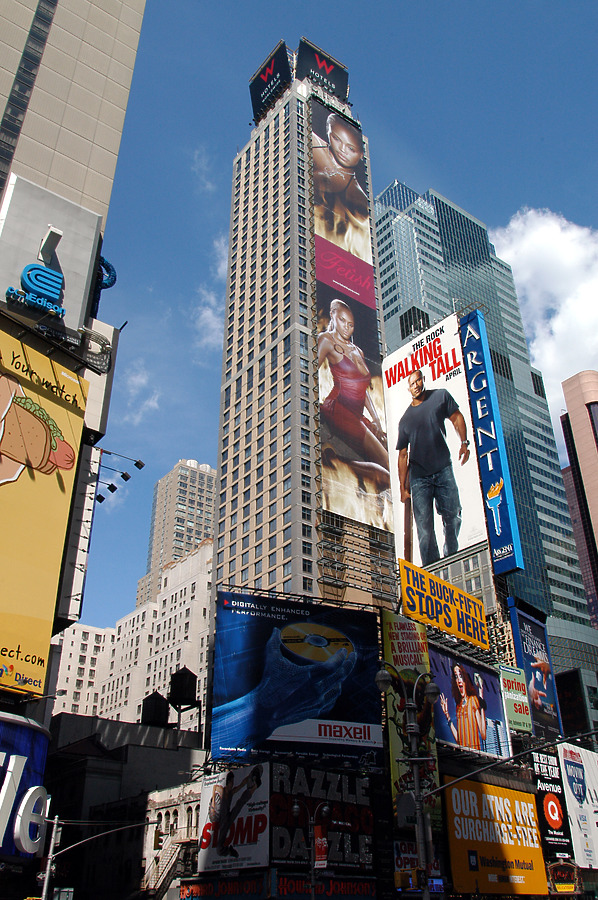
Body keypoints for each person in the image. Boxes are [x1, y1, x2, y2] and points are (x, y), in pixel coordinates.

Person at [397, 369, 470, 565]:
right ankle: (434, 569)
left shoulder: (440, 396)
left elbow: (456, 418)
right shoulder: (405, 420)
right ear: (408, 388)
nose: (416, 386)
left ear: (423, 380)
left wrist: (464, 443)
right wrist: (403, 488)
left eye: (418, 381)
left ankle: (451, 557)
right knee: (424, 529)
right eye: (412, 383)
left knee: (453, 514)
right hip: (419, 479)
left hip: (443, 468)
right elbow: (402, 455)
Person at [318, 299, 389, 487]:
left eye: (351, 325)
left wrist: (376, 419)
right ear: (333, 315)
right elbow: (310, 371)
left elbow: (362, 389)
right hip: (338, 409)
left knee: (390, 448)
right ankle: (334, 460)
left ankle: (338, 460)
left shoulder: (358, 351)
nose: (347, 328)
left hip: (357, 415)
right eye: (342, 321)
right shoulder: (326, 340)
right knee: (389, 468)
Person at [312, 113, 371, 263]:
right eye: (336, 139)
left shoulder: (359, 202)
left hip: (334, 262)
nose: (342, 150)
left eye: (351, 149)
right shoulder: (317, 150)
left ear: (361, 155)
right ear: (329, 134)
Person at [440, 664, 487, 751]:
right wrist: (447, 715)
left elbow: (483, 734)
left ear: (465, 679)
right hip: (463, 754)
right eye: (456, 676)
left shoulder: (473, 700)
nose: (459, 680)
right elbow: (459, 740)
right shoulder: (459, 706)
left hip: (475, 753)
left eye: (460, 676)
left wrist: (481, 692)